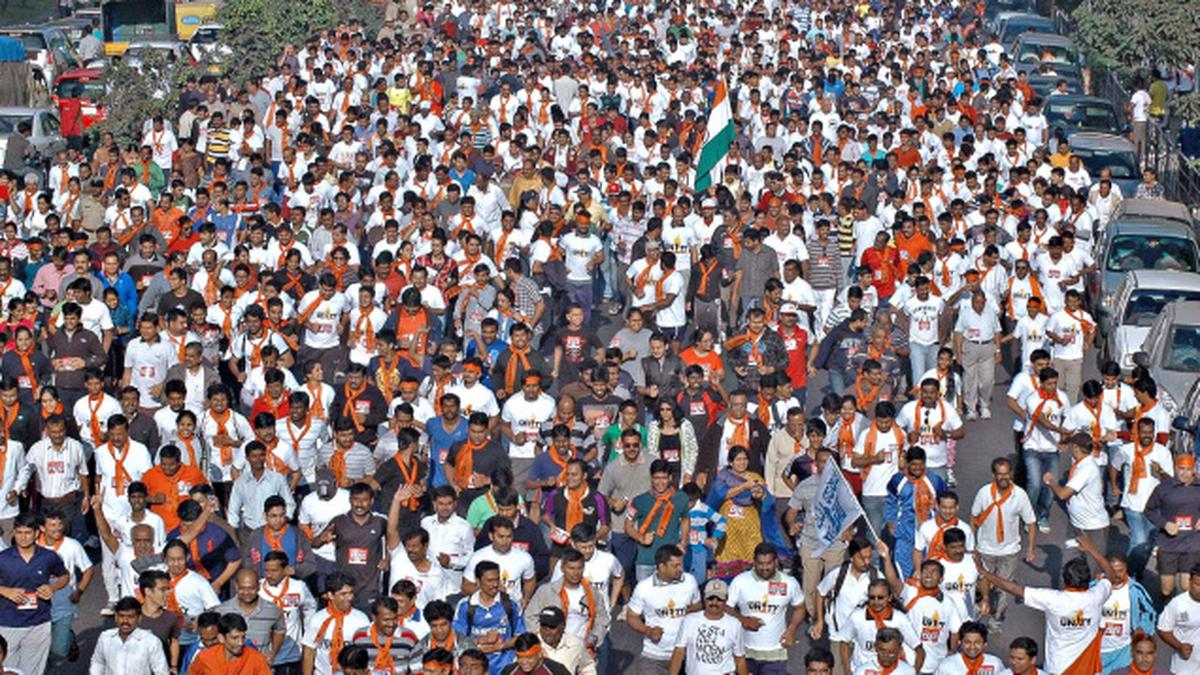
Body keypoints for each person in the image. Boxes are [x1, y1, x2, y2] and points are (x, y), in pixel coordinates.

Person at [976, 532, 1116, 675]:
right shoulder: (1096, 596)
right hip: (1089, 669)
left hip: (1057, 669)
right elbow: (1111, 575)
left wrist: (984, 572)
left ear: (1064, 580)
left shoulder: (1053, 599)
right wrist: (1091, 548)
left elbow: (1013, 588)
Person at [970, 458, 1037, 629]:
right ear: (994, 475)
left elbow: (1030, 521)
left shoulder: (1020, 495)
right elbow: (974, 516)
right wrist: (972, 543)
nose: (1004, 477)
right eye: (1000, 474)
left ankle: (996, 619)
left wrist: (1031, 548)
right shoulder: (984, 493)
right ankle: (980, 605)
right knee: (982, 581)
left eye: (1007, 473)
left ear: (1011, 474)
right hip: (985, 549)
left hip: (1009, 551)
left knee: (1005, 588)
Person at [0, 511, 69, 674]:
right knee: (8, 670)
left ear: (37, 533)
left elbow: (64, 576)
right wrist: (5, 591)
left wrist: (53, 587)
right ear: (14, 533)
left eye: (27, 533)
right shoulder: (3, 558)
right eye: (19, 533)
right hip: (8, 623)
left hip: (39, 623)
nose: (23, 537)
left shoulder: (48, 557)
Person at [726, 542, 805, 673]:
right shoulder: (740, 581)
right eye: (760, 563)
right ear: (754, 562)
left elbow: (800, 607)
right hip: (745, 652)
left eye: (768, 563)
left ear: (776, 561)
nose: (764, 568)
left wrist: (791, 629)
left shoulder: (789, 583)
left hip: (776, 653)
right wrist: (743, 620)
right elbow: (725, 608)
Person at [1144, 455, 1200, 599]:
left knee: (1187, 587)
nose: (1185, 473)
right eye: (1181, 469)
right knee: (1167, 589)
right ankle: (1167, 614)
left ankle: (1186, 619)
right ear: (1175, 469)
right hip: (1169, 543)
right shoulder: (1163, 488)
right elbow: (1148, 510)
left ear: (1194, 470)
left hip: (1192, 543)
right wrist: (1165, 524)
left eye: (1189, 469)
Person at [668, 578, 749, 675]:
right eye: (710, 598)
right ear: (704, 598)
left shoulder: (735, 624)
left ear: (726, 600)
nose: (714, 602)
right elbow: (679, 652)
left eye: (719, 599)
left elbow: (740, 659)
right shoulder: (689, 621)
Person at [300, 572, 371, 675]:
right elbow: (309, 652)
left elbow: (365, 655)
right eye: (343, 594)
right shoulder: (317, 619)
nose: (349, 597)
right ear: (330, 595)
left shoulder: (361, 620)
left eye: (350, 593)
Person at [87, 596, 170, 674]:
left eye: (130, 617)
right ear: (116, 617)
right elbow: (98, 663)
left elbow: (161, 672)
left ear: (139, 619)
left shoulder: (151, 642)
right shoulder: (105, 638)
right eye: (121, 616)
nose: (125, 621)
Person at [188, 612, 273, 674]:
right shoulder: (205, 657)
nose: (240, 643)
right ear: (221, 638)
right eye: (234, 638)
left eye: (243, 637)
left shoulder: (256, 659)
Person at [933, 622, 1003, 675]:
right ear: (960, 642)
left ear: (985, 644)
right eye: (967, 642)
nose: (972, 647)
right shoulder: (947, 666)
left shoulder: (995, 664)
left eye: (977, 642)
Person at [851, 627, 916, 675]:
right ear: (875, 648)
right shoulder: (861, 672)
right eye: (882, 651)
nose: (886, 655)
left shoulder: (908, 672)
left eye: (891, 652)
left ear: (899, 650)